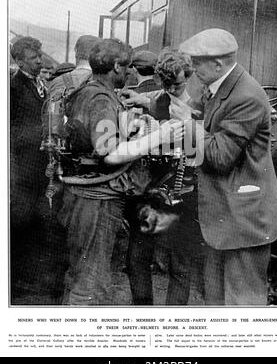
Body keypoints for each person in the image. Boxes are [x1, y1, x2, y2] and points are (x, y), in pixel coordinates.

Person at [58, 38, 184, 305]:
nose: (129, 73)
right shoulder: (101, 99)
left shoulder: (88, 91)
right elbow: (111, 154)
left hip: (86, 198)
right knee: (90, 285)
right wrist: (159, 135)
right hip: (97, 201)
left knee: (82, 276)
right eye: (126, 67)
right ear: (116, 66)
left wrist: (129, 130)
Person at [168, 28, 277, 306]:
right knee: (217, 303)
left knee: (241, 307)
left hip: (244, 222)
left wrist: (186, 125)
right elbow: (199, 115)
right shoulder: (221, 87)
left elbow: (220, 156)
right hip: (226, 218)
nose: (193, 70)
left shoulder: (246, 96)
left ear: (218, 64)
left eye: (197, 63)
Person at [126, 50, 203, 305]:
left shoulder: (201, 105)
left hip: (185, 187)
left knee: (180, 265)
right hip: (151, 184)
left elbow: (204, 147)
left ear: (189, 78)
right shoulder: (156, 97)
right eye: (166, 83)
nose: (172, 89)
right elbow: (147, 101)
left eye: (178, 84)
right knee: (137, 257)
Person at [10, 37, 57, 303]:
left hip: (39, 169)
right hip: (22, 170)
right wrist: (39, 134)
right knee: (19, 224)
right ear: (19, 61)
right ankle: (14, 286)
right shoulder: (13, 88)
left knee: (34, 225)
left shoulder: (40, 85)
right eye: (33, 58)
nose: (40, 60)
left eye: (39, 55)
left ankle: (27, 280)